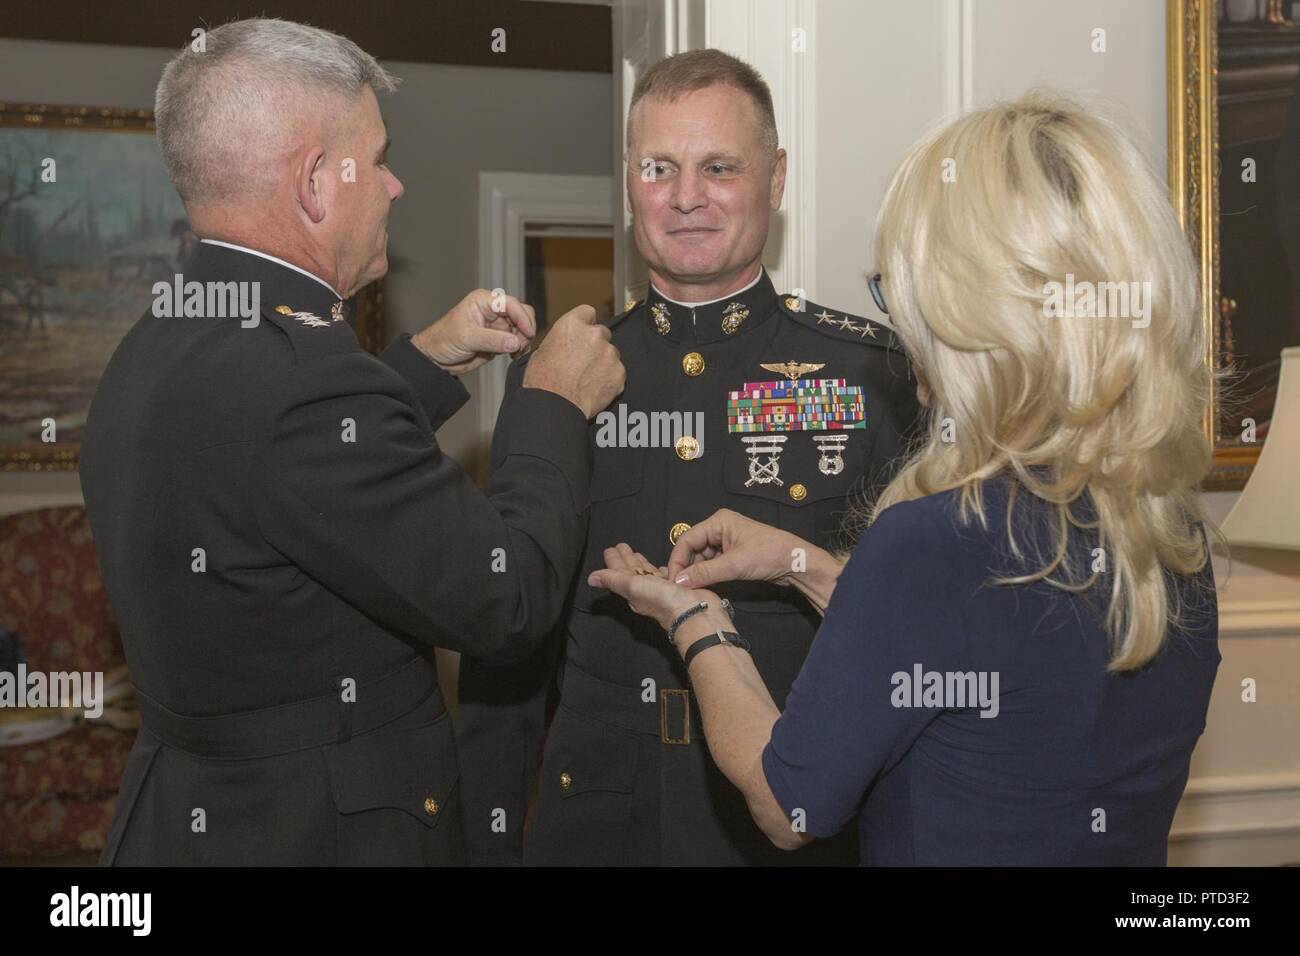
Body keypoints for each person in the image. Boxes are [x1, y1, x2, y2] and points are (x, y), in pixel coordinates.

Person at [588, 91, 1221, 865]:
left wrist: (695, 622)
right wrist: (804, 564)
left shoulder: (932, 540)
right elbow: (981, 649)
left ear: (968, 313)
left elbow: (791, 803)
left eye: (902, 290)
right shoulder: (1168, 532)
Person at [79, 18, 623, 865]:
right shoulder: (303, 376)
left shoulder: (165, 339)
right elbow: (507, 599)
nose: (395, 185)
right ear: (314, 184)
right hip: (316, 831)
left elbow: (275, 480)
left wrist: (428, 362)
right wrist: (555, 401)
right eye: (376, 159)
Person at [457, 49, 920, 865]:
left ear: (775, 180)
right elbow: (511, 642)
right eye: (659, 168)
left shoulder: (872, 371)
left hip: (784, 817)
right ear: (630, 181)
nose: (686, 198)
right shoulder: (562, 374)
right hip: (596, 817)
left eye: (719, 168)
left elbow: (910, 632)